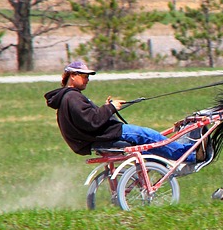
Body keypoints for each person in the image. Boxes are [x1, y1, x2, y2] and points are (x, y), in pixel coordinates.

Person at [44, 60, 196, 162]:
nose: (88, 80)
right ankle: (188, 155)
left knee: (148, 143)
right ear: (72, 76)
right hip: (107, 134)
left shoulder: (68, 97)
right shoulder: (72, 97)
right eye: (84, 76)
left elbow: (88, 117)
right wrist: (110, 108)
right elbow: (92, 121)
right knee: (147, 135)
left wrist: (106, 108)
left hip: (97, 136)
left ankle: (168, 160)